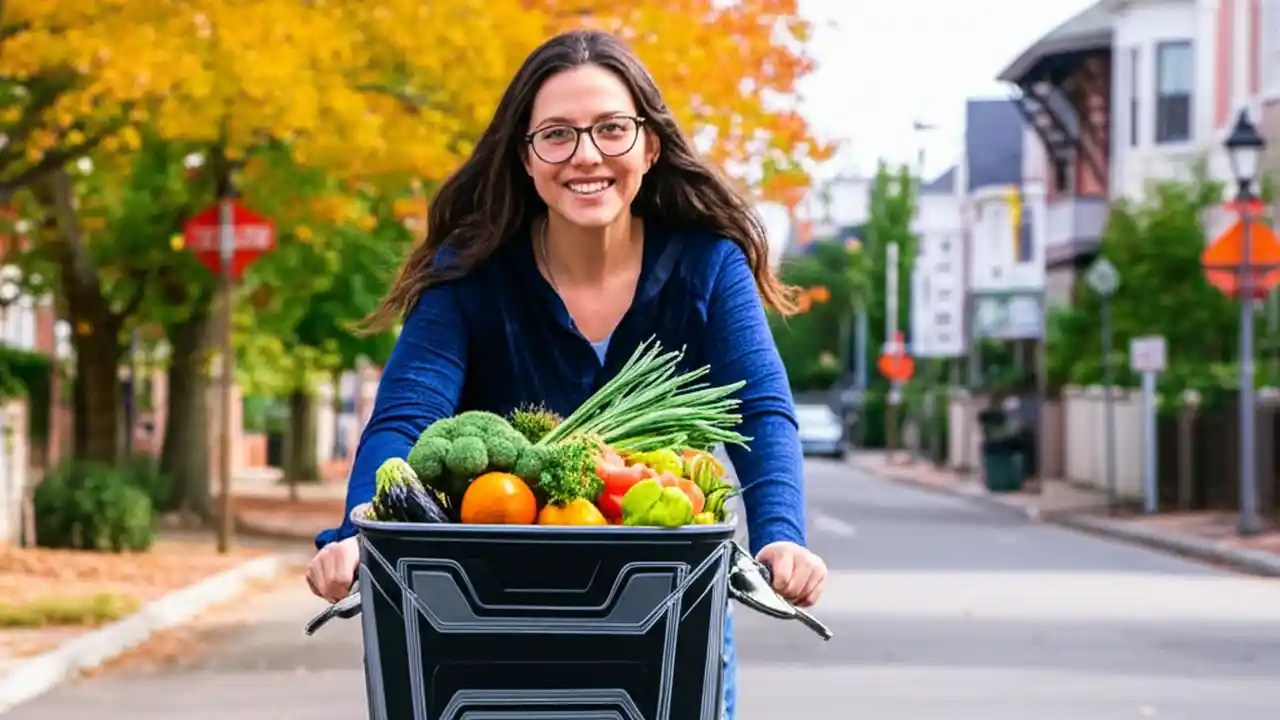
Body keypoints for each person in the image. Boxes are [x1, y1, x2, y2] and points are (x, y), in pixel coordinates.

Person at [306, 28, 828, 719]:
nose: (587, 155)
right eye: (556, 135)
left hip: (666, 614)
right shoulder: (469, 275)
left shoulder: (706, 265)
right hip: (486, 611)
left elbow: (760, 412)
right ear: (525, 158)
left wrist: (781, 533)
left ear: (649, 143)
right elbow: (406, 416)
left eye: (612, 128)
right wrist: (354, 532)